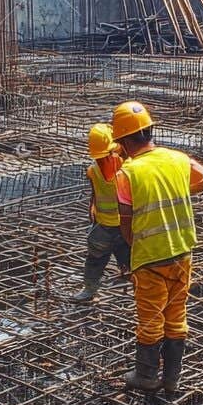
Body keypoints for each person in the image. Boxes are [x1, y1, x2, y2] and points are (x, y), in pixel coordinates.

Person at [110, 101, 203, 394]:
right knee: (176, 314)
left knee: (151, 319)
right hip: (182, 252)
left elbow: (126, 222)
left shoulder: (126, 174)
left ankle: (146, 376)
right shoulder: (177, 158)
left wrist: (133, 247)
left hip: (151, 257)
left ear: (125, 141)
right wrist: (176, 187)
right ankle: (173, 378)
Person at [72, 123, 130, 303]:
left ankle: (138, 287)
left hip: (125, 226)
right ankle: (89, 289)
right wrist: (92, 210)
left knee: (131, 261)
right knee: (94, 260)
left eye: (106, 156)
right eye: (100, 158)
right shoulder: (93, 171)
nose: (103, 161)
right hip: (103, 226)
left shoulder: (128, 168)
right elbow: (94, 195)